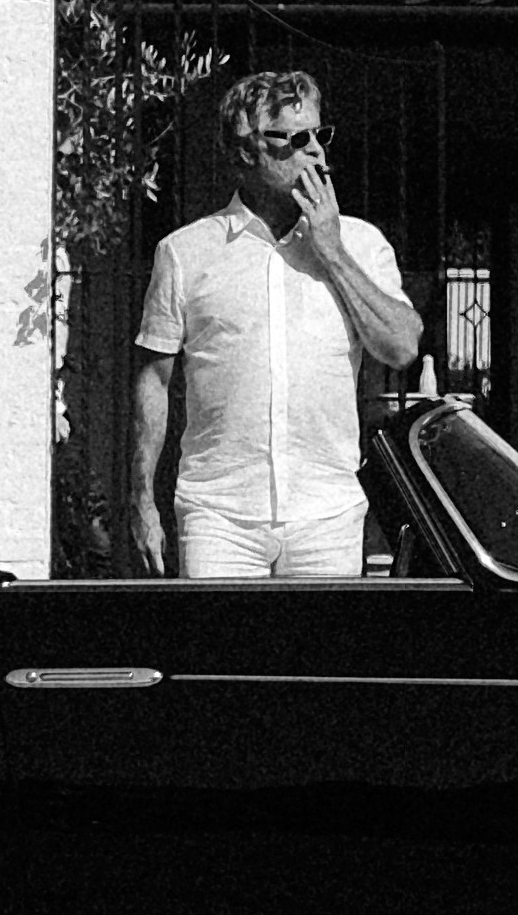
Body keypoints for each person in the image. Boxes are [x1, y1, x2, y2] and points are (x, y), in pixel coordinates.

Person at [126, 66, 425, 577]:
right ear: (247, 152)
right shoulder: (186, 252)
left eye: (320, 135)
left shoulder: (360, 243)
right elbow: (154, 380)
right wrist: (141, 500)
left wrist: (332, 250)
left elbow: (402, 347)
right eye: (296, 139)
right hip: (218, 513)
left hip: (327, 511)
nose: (316, 152)